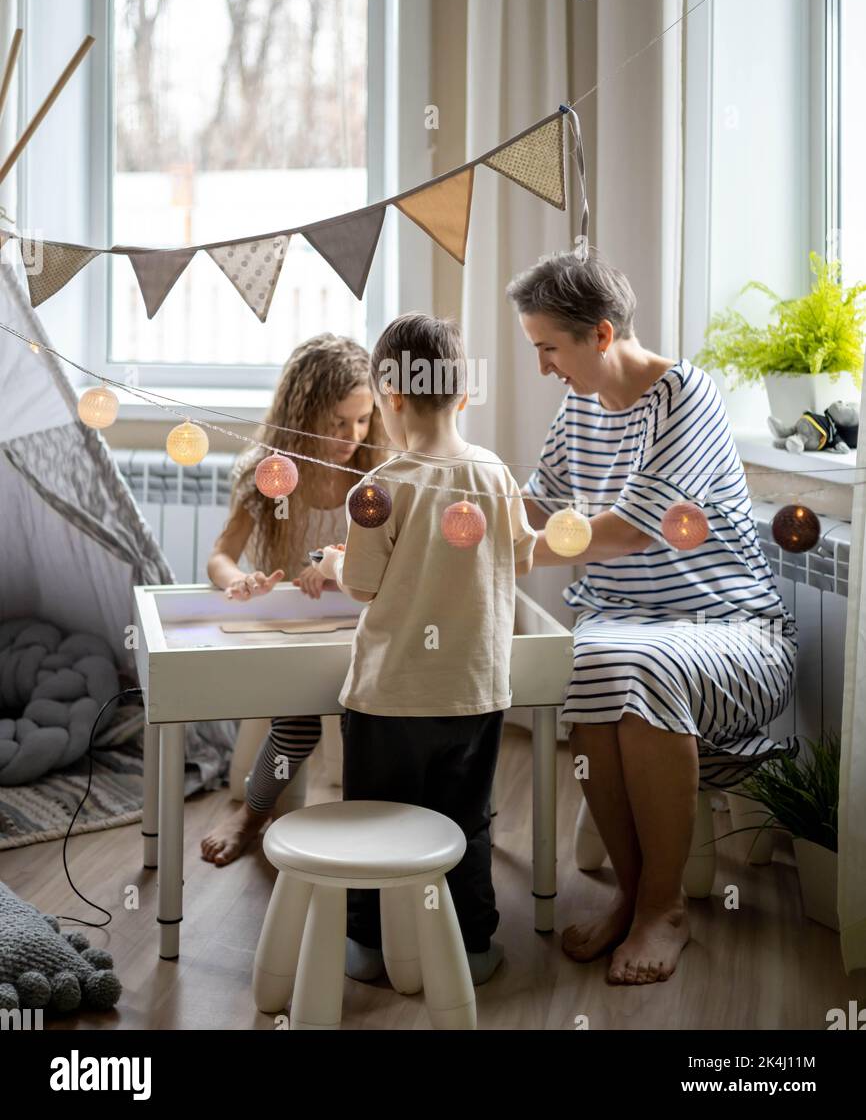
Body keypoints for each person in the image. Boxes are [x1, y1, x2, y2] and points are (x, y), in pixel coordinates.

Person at [506, 246, 799, 986]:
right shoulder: (580, 403)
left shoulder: (685, 397)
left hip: (732, 631)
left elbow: (635, 527)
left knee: (636, 665)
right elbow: (536, 501)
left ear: (600, 335)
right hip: (623, 624)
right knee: (595, 660)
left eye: (549, 349)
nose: (543, 367)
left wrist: (522, 553)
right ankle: (636, 896)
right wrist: (463, 517)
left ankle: (665, 907)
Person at [315, 312, 536, 986]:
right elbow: (521, 558)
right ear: (462, 396)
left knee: (372, 824)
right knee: (465, 824)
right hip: (475, 694)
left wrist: (330, 562)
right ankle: (470, 946)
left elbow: (360, 584)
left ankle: (369, 944)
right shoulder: (494, 474)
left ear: (392, 398)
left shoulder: (377, 489)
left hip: (392, 698)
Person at [200, 334, 389, 866]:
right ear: (302, 415)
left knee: (379, 713)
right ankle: (253, 815)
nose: (352, 435)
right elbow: (220, 556)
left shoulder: (375, 473)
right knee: (299, 717)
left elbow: (393, 559)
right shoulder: (269, 475)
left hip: (363, 630)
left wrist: (335, 568)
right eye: (337, 422)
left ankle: (374, 823)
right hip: (298, 633)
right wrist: (240, 581)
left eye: (362, 419)